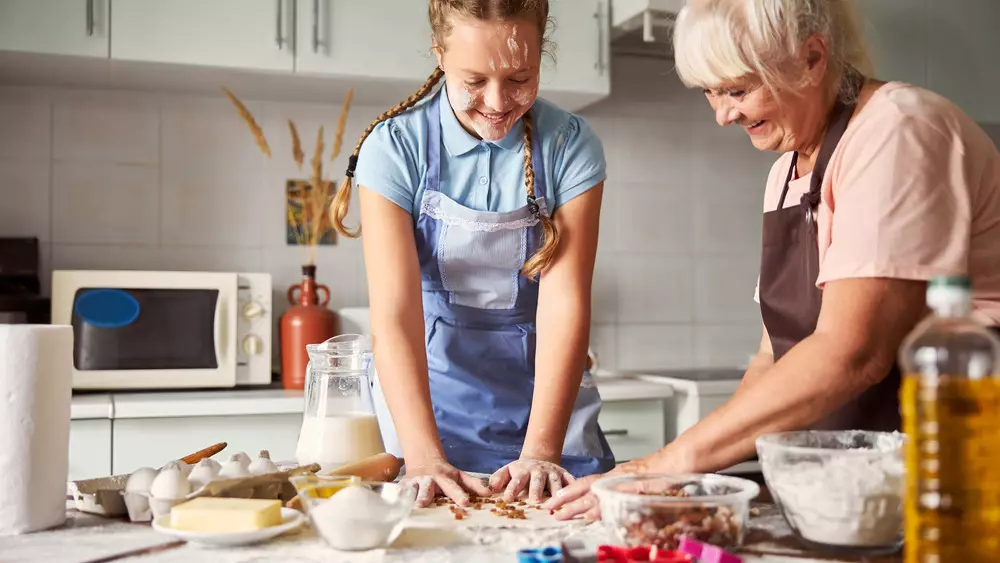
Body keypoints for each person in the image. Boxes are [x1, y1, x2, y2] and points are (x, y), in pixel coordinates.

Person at [545, 0, 1000, 520]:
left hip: (957, 462)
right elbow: (771, 359)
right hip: (859, 483)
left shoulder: (899, 130)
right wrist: (693, 480)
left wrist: (664, 464)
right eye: (711, 93)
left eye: (737, 90)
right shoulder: (786, 171)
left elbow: (852, 352)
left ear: (811, 57)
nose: (722, 115)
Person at [330, 0, 615, 507]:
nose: (498, 101)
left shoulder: (570, 144)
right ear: (440, 55)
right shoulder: (395, 146)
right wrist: (422, 457)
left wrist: (542, 451)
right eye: (474, 80)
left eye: (520, 78)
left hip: (548, 408)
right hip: (430, 412)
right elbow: (395, 317)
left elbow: (566, 304)